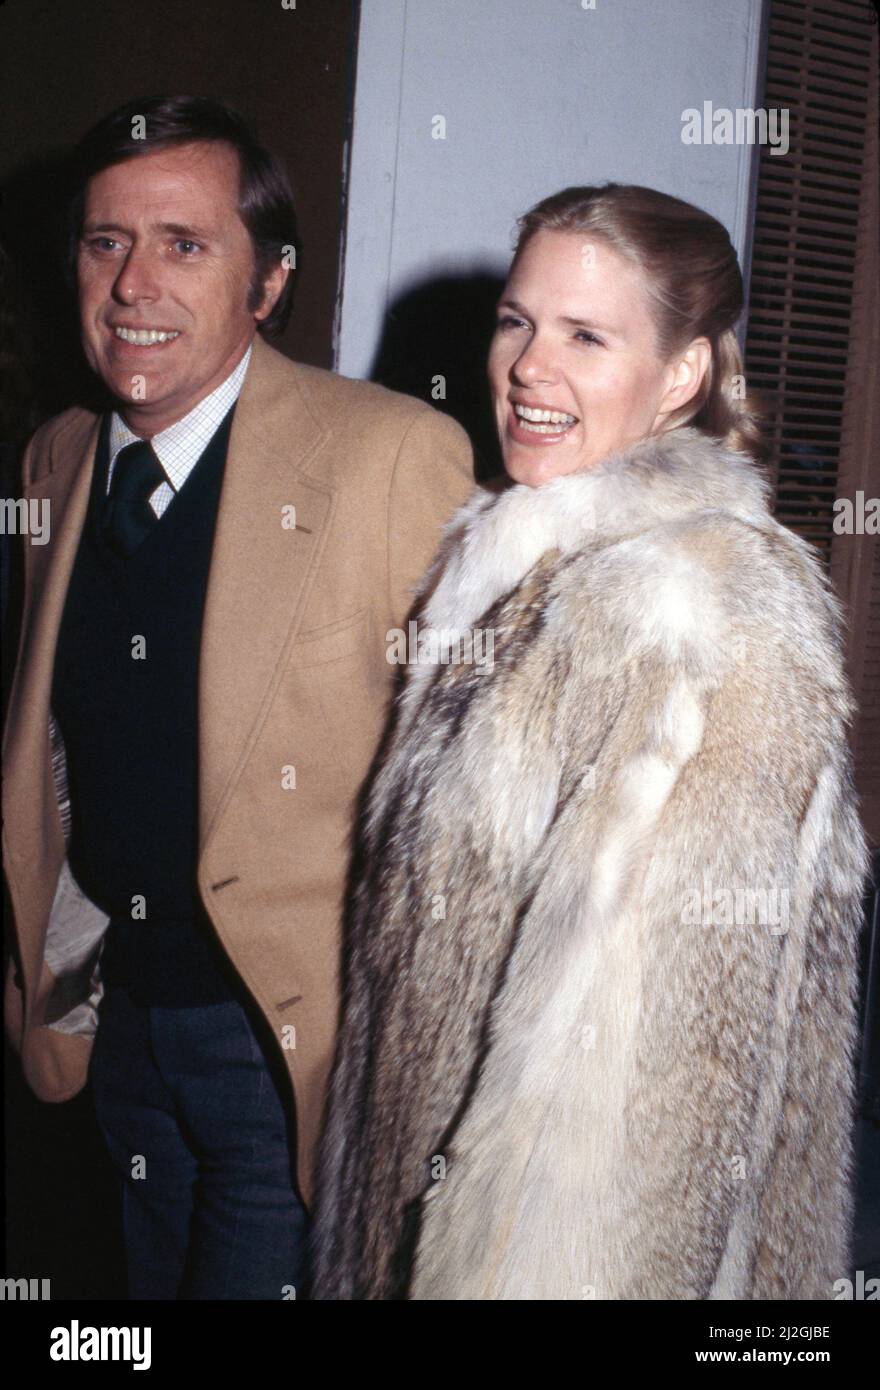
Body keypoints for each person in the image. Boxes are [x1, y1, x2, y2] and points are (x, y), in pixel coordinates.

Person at [312, 183, 870, 1300]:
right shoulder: (509, 563)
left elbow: (649, 1106)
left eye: (585, 335)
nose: (527, 364)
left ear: (681, 376)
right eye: (517, 320)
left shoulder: (693, 608)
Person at [2, 94, 474, 1300]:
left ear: (268, 284)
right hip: (116, 1018)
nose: (132, 285)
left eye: (185, 244)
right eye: (106, 242)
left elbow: (462, 791)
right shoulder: (56, 458)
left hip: (286, 1044)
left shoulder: (389, 454)